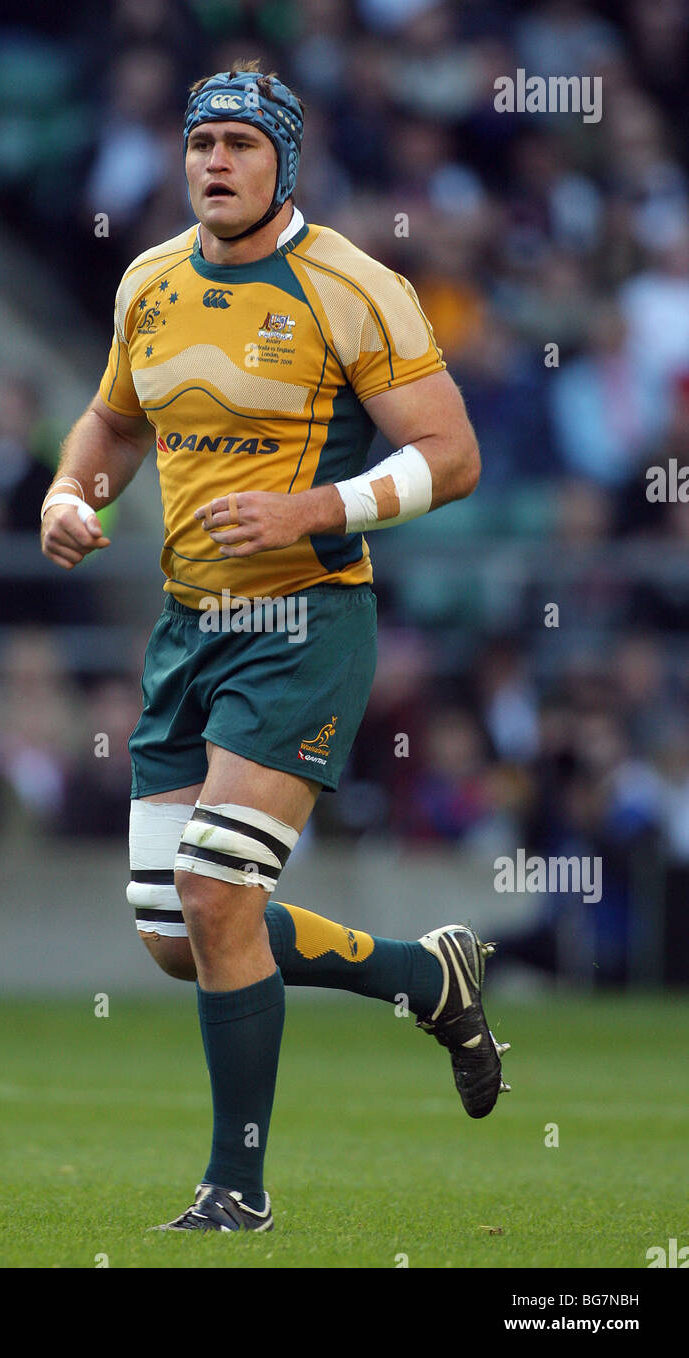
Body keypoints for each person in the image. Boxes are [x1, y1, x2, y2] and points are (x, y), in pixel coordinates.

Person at [40, 61, 510, 1234]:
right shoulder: (150, 280)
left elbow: (451, 456)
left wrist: (316, 508)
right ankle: (423, 974)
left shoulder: (350, 283)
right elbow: (112, 419)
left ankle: (234, 1192)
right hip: (186, 626)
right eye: (200, 141)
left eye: (241, 144)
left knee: (215, 891)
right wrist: (67, 492)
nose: (214, 162)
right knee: (174, 936)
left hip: (301, 623)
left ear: (283, 162)